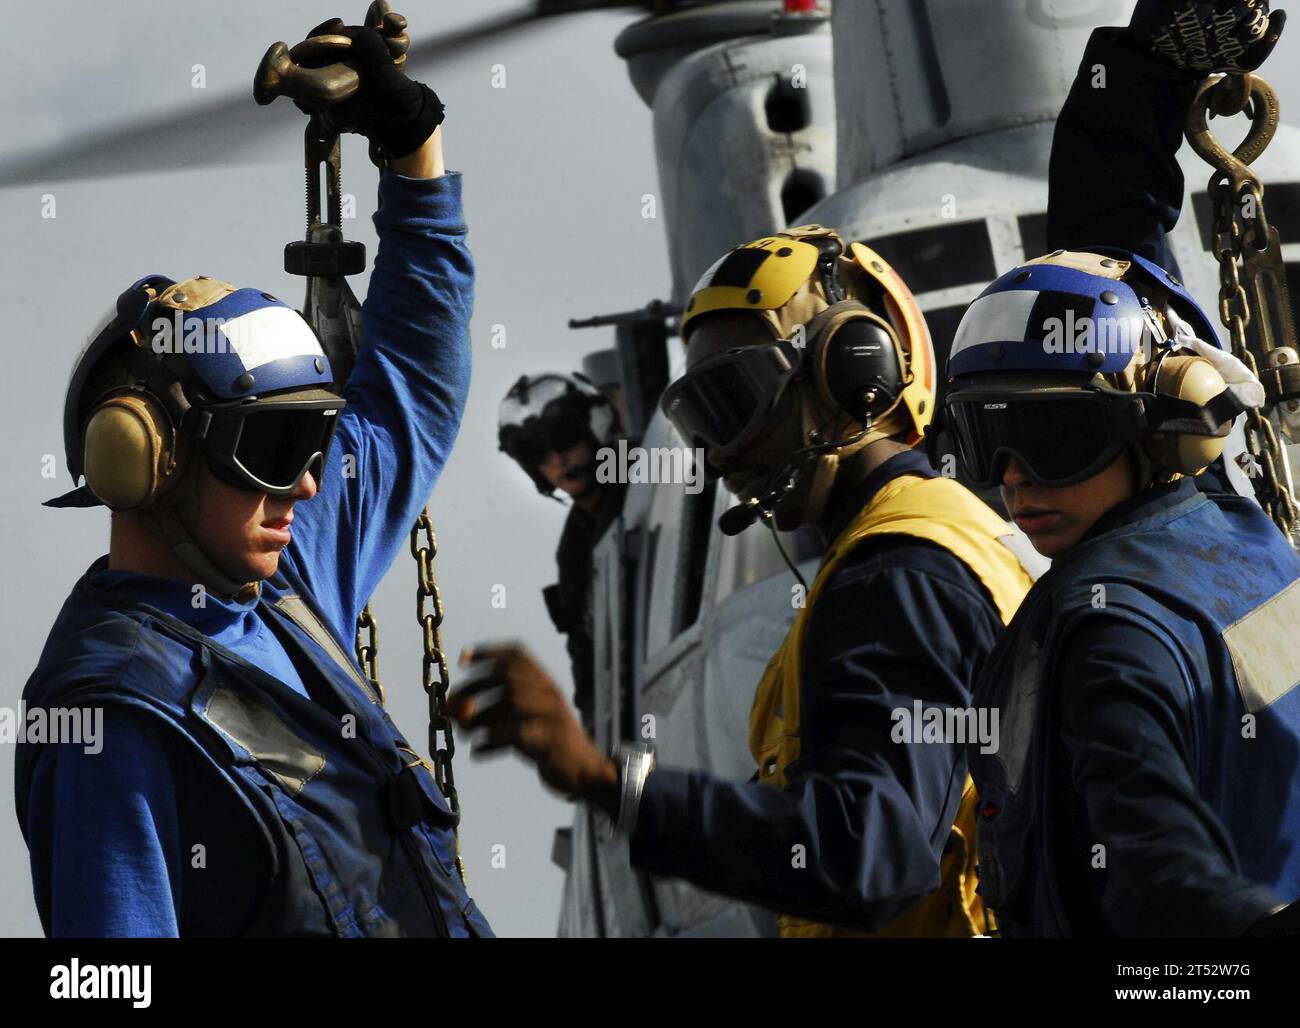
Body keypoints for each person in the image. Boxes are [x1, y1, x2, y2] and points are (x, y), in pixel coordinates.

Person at [14, 23, 493, 937]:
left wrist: (413, 150)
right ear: (149, 457)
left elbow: (405, 397)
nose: (308, 487)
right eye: (276, 452)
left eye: (314, 447)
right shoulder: (109, 724)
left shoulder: (281, 583)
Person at [452, 225, 1036, 936]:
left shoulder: (896, 573)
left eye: (734, 406)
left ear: (847, 371)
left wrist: (611, 784)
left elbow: (870, 856)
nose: (719, 456)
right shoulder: (947, 532)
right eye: (701, 425)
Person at [942, 245, 1300, 936]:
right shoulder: (1244, 539)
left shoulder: (1107, 632)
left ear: (1159, 427)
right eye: (988, 436)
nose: (1012, 476)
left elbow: (1157, 873)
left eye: (1050, 433)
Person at [497, 373, 625, 731]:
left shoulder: (655, 480)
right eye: (539, 454)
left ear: (594, 428)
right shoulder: (574, 551)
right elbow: (588, 660)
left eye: (565, 439)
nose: (558, 460)